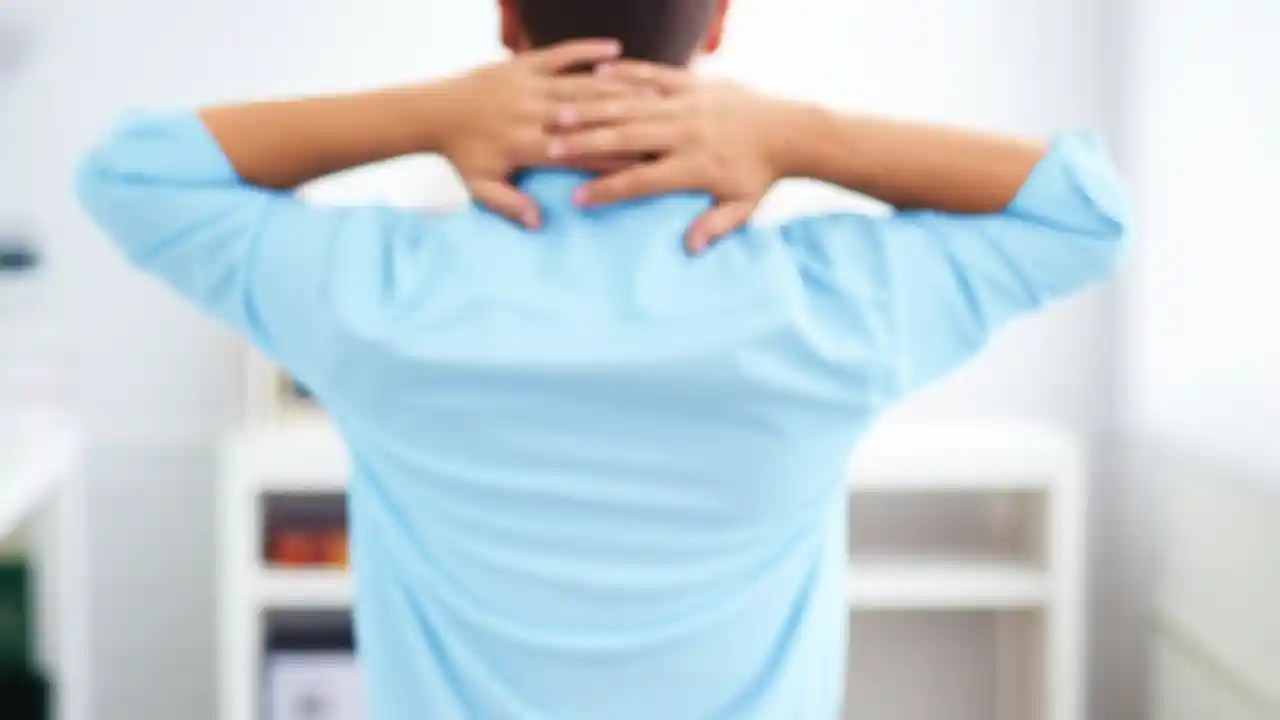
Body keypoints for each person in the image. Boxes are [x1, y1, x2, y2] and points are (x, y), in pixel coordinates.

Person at [76, 0, 1129, 717]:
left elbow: (133, 173)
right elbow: (1082, 211)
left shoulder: (383, 296)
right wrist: (795, 135)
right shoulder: (821, 308)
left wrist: (426, 114)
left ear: (502, 19)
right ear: (718, 23)